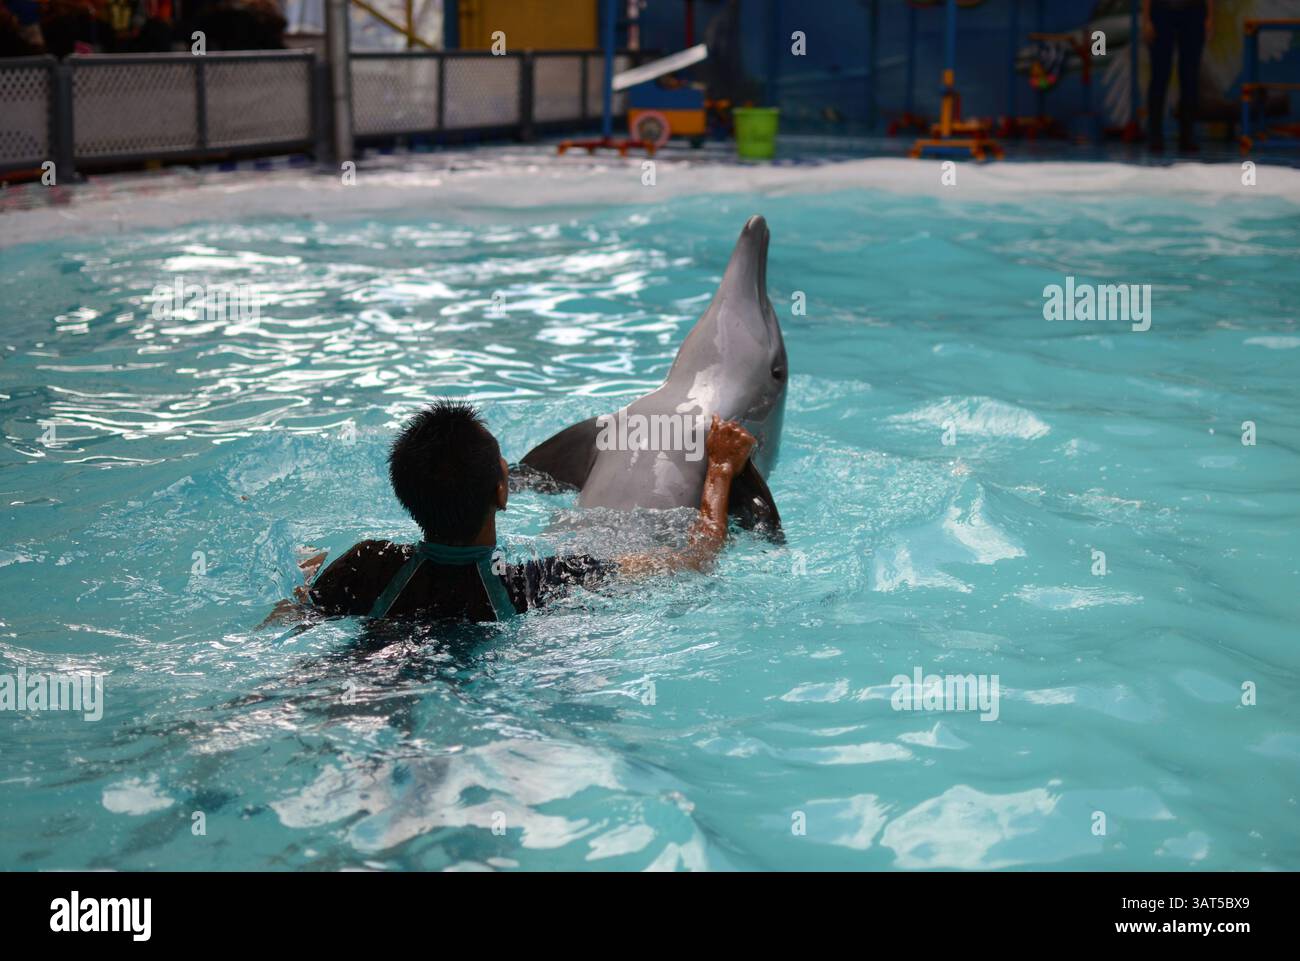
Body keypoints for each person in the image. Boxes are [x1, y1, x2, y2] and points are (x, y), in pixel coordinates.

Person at [268, 400, 757, 625]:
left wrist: (308, 578)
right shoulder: (537, 582)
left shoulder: (365, 562)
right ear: (503, 494)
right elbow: (696, 559)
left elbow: (292, 616)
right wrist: (719, 468)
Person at [1143, 0, 1213, 153]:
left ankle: (1187, 136)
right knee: (1159, 74)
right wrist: (1147, 19)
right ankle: (1155, 136)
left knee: (1190, 76)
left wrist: (1209, 16)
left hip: (1193, 11)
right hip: (1161, 10)